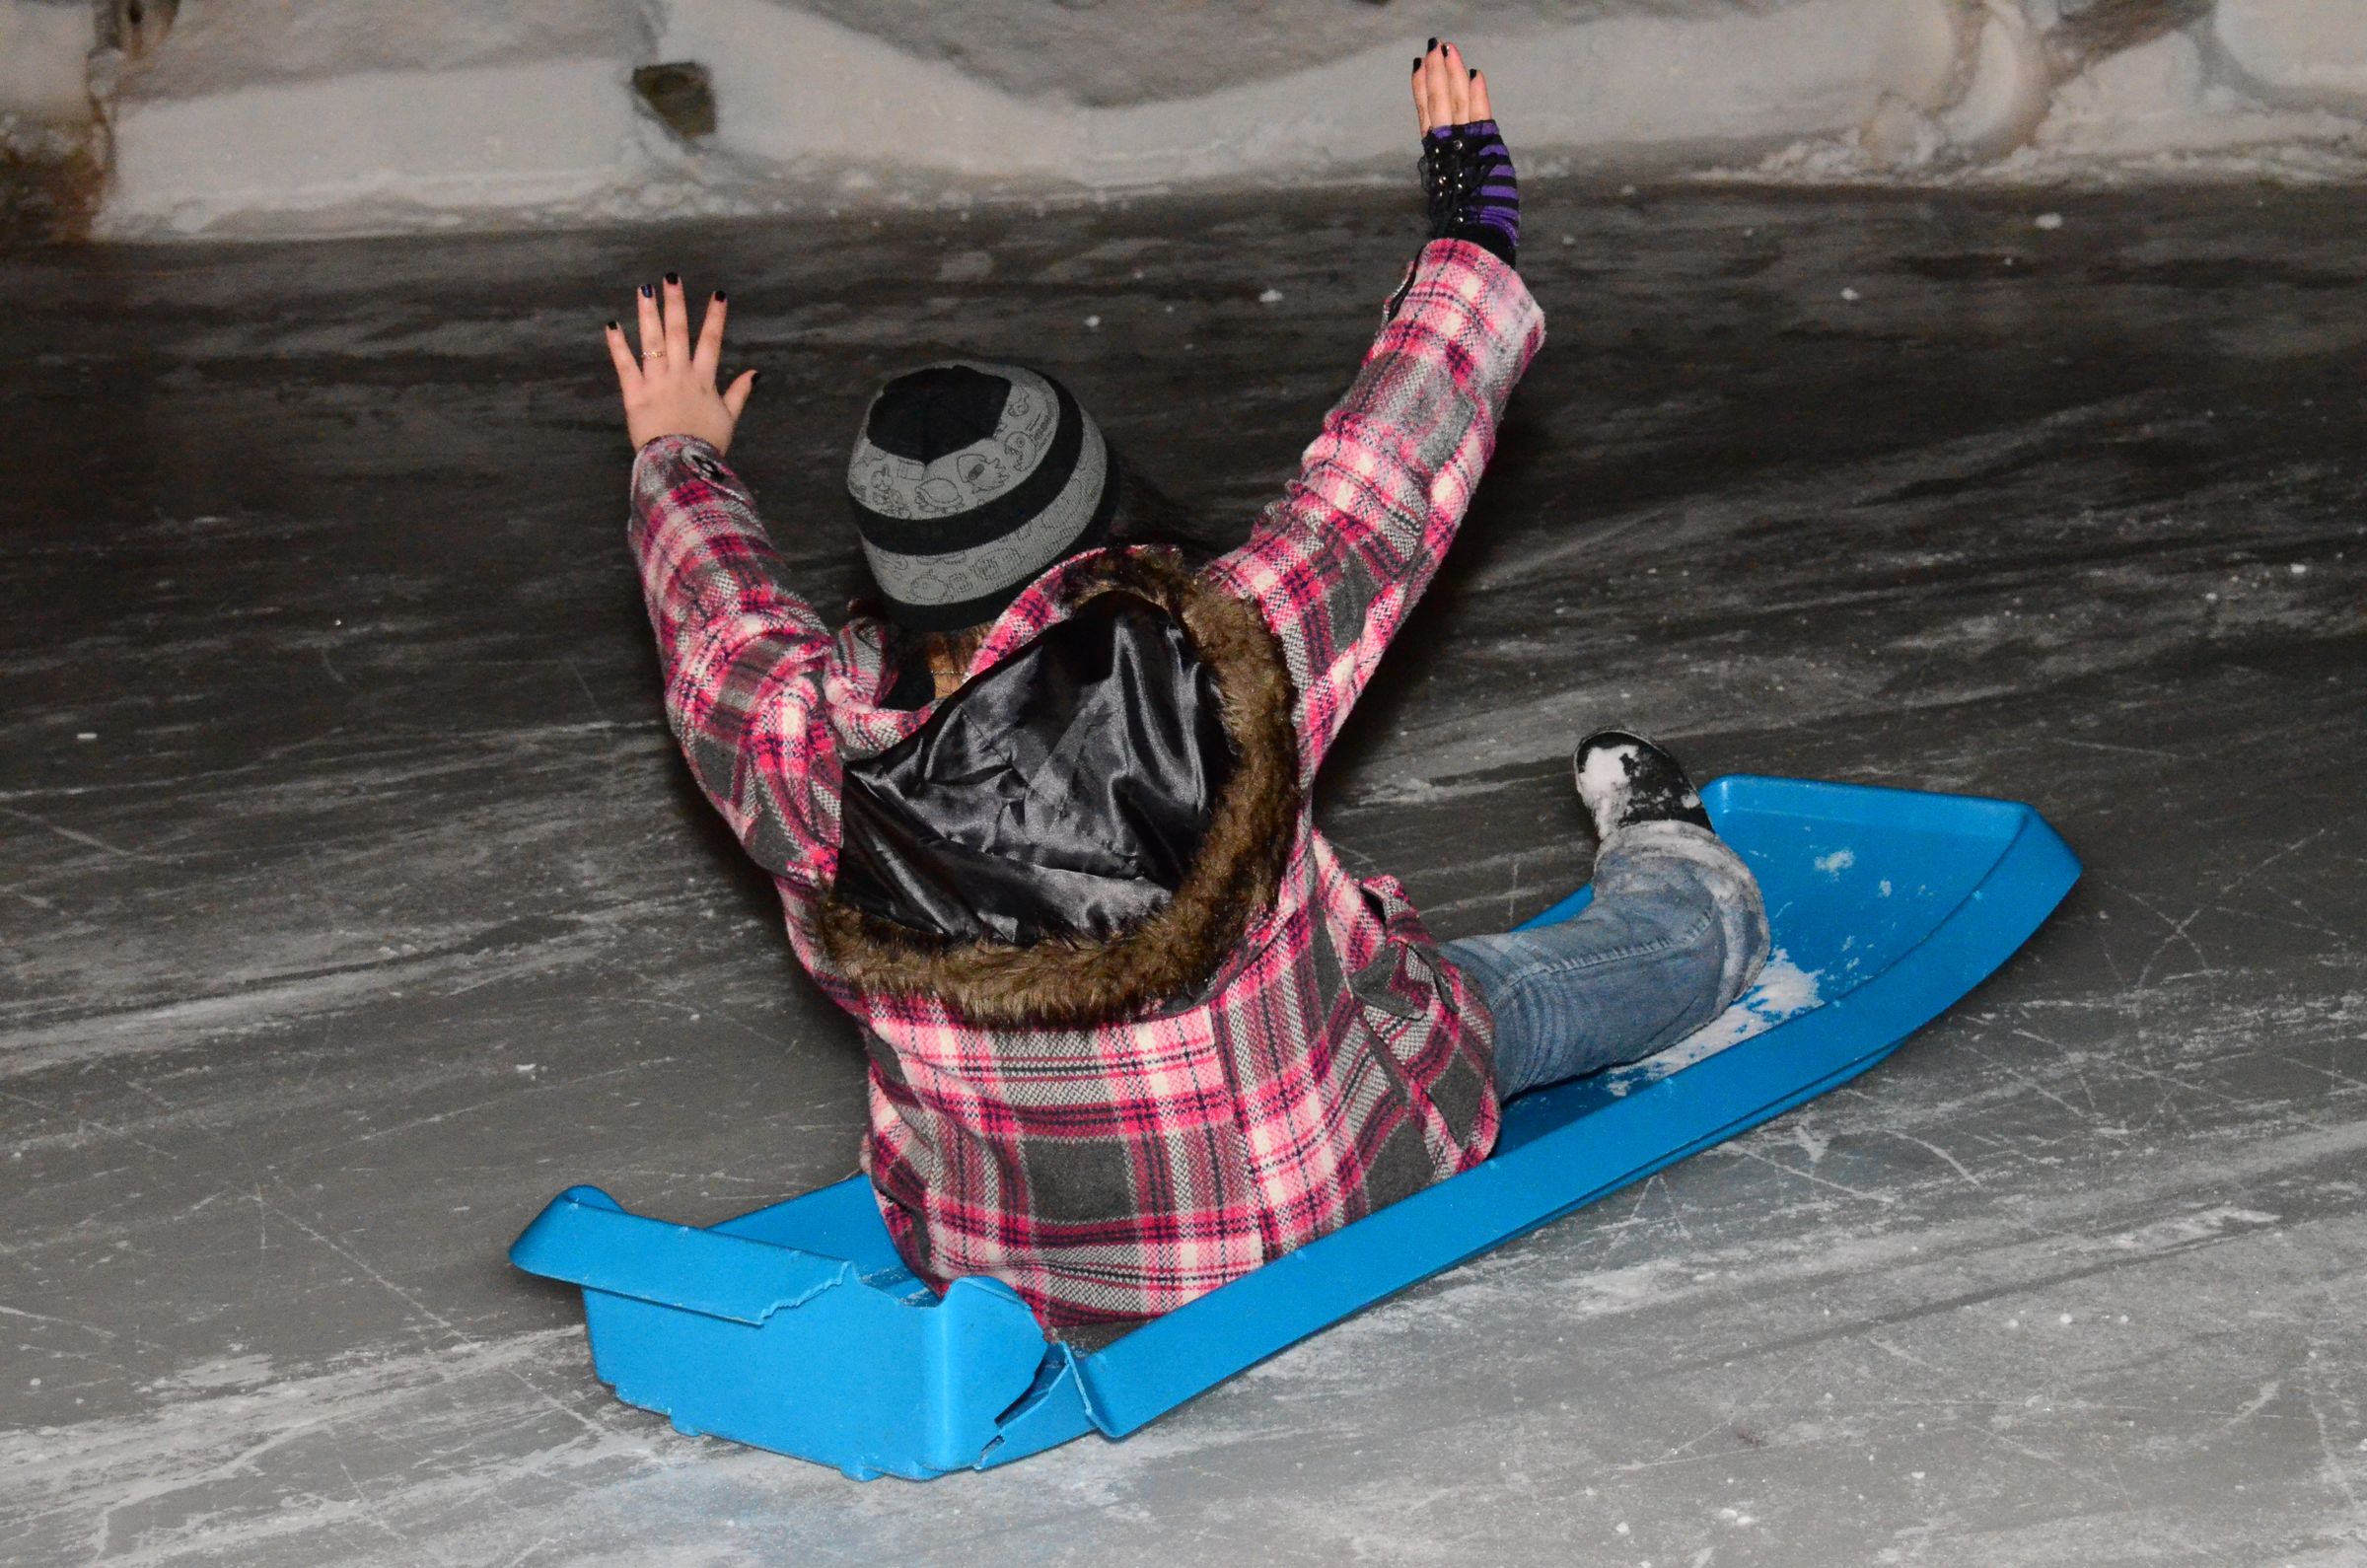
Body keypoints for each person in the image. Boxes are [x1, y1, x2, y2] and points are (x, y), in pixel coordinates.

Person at [598, 41, 1768, 1339]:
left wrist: (677, 453)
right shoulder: (1213, 664)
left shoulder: (803, 752)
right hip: (1315, 1200)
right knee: (1488, 999)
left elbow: (716, 624)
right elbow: (1379, 483)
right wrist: (1471, 237)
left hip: (1001, 1258)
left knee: (1316, 942)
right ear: (1094, 518)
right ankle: (1696, 898)